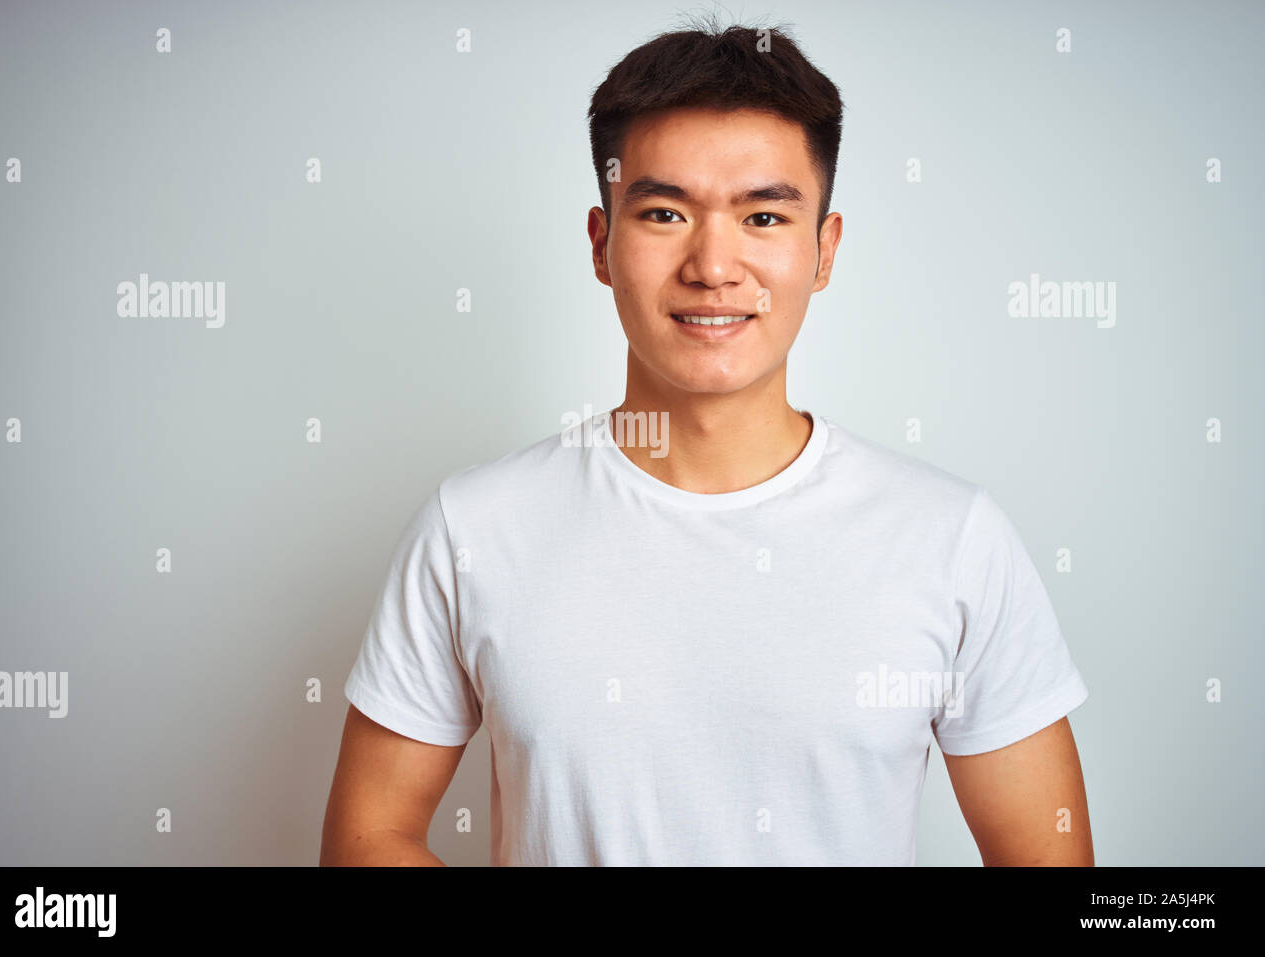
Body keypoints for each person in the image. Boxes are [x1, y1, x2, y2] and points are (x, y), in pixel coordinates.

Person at [320, 16, 1092, 866]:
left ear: (823, 250)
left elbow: (1044, 854)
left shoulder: (952, 538)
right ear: (602, 243)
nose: (714, 265)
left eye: (764, 216)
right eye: (663, 212)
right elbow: (368, 835)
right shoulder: (472, 527)